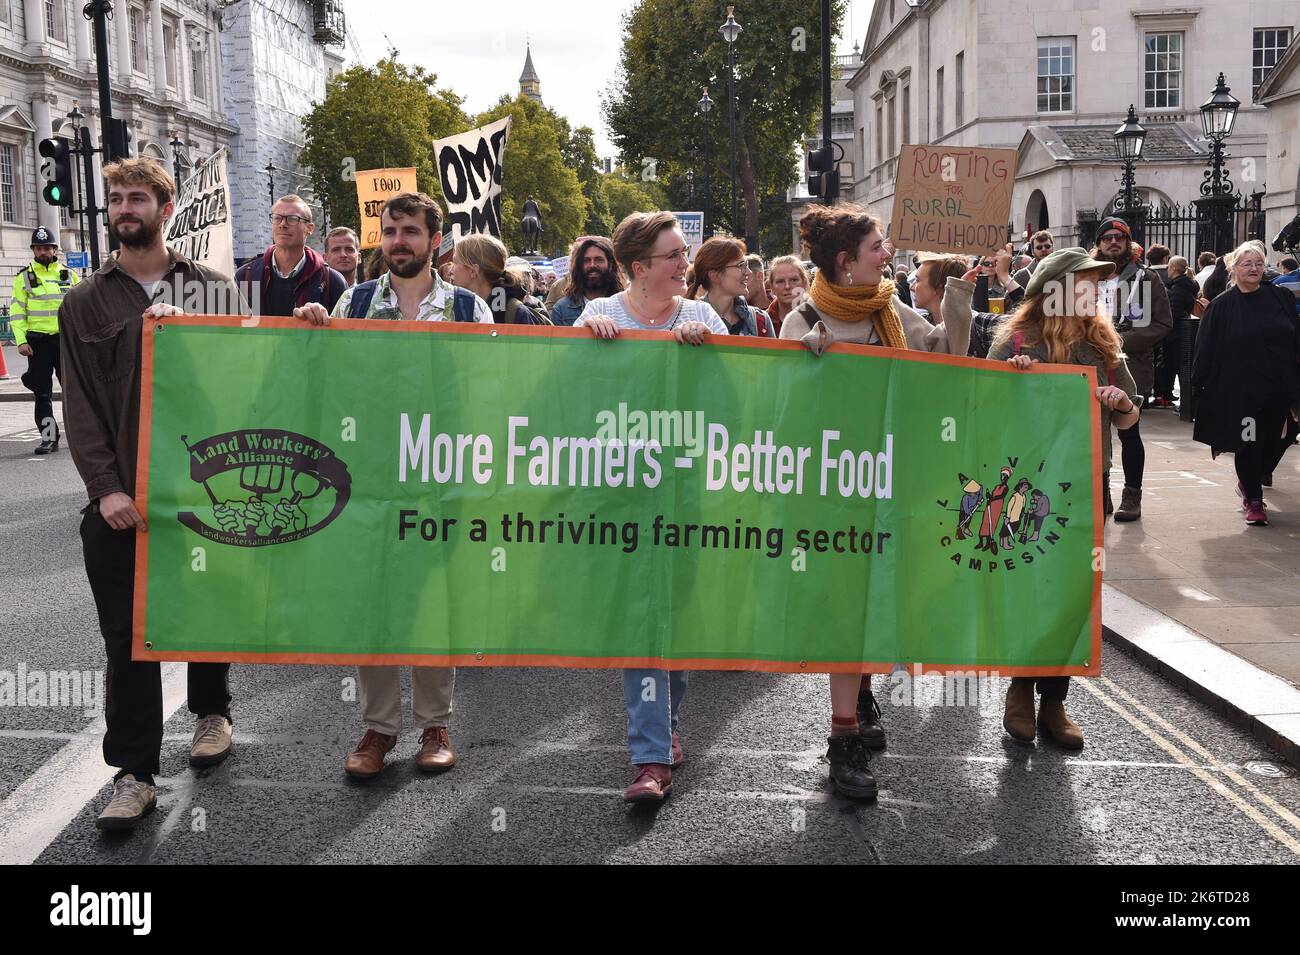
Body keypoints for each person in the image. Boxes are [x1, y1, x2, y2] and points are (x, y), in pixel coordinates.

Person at [60, 158, 246, 831]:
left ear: (166, 209)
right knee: (127, 638)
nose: (124, 207)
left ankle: (212, 711)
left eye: (137, 196)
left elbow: (246, 386)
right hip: (122, 501)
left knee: (204, 610)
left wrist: (194, 335)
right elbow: (79, 406)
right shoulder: (84, 301)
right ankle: (133, 773)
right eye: (115, 198)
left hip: (201, 491)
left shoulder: (216, 291)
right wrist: (104, 489)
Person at [295, 192, 490, 778]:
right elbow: (327, 377)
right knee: (371, 598)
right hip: (369, 471)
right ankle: (378, 728)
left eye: (410, 230)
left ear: (436, 240)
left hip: (439, 470)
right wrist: (311, 329)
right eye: (390, 230)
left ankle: (435, 724)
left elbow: (485, 387)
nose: (398, 240)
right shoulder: (352, 300)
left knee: (432, 596)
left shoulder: (465, 307)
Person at [780, 203, 971, 801]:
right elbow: (782, 413)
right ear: (845, 262)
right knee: (843, 607)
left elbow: (945, 352)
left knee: (878, 598)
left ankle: (859, 692)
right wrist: (808, 368)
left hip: (892, 479)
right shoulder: (800, 320)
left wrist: (962, 286)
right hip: (832, 488)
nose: (888, 254)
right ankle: (844, 743)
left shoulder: (890, 307)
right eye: (877, 247)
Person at [573, 211, 726, 804]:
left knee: (678, 621)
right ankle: (650, 759)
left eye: (684, 253)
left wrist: (709, 353)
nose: (687, 264)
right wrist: (589, 352)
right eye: (675, 256)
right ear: (640, 268)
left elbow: (739, 393)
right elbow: (573, 400)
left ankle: (666, 722)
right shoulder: (599, 315)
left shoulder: (702, 316)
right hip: (623, 495)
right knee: (643, 617)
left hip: (688, 492)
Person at [988, 247, 1140, 749]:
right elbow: (981, 400)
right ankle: (1019, 691)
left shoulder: (1101, 344)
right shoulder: (1017, 339)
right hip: (1030, 486)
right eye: (1084, 281)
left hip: (1088, 482)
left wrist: (1120, 403)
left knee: (1075, 593)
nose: (1092, 290)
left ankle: (1055, 704)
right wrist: (1014, 377)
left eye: (1095, 283)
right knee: (1032, 587)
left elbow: (1129, 416)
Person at [1192, 240, 1300, 527]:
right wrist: (1201, 388)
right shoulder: (1221, 306)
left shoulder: (1280, 297)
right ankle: (1253, 499)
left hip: (1280, 387)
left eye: (1258, 263)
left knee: (1279, 438)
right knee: (1249, 442)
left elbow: (1295, 335)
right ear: (1233, 268)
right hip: (1242, 391)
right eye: (1246, 264)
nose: (1253, 269)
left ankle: (1252, 476)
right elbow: (1205, 348)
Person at [1092, 216, 1172, 521]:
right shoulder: (1085, 277)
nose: (1113, 242)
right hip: (1090, 366)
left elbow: (1163, 324)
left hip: (1131, 367)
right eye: (1107, 237)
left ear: (1128, 243)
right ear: (1098, 243)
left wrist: (1120, 340)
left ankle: (1132, 496)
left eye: (1120, 237)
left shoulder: (1147, 278)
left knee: (1129, 433)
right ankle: (1101, 495)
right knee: (1094, 434)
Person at [10, 226, 78, 454]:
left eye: (46, 248)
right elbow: (17, 312)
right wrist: (21, 341)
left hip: (64, 342)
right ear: (33, 250)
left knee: (74, 391)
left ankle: (82, 437)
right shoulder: (24, 278)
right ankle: (49, 438)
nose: (43, 252)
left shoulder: (69, 275)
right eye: (38, 248)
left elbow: (80, 310)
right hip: (37, 344)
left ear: (54, 249)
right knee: (43, 394)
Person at [234, 194, 347, 316]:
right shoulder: (245, 276)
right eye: (277, 218)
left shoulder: (331, 281)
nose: (283, 224)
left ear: (309, 228)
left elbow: (345, 332)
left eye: (292, 219)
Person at [910, 253, 1006, 358]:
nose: (912, 287)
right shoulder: (921, 326)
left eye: (918, 280)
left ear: (938, 287)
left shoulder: (979, 324)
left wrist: (1018, 359)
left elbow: (1021, 326)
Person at [685, 237, 774, 336]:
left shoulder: (761, 321)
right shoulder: (689, 321)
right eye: (741, 265)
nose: (748, 272)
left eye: (746, 265)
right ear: (715, 276)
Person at [453, 236, 549, 324]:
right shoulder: (458, 307)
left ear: (473, 270)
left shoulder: (517, 314)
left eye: (455, 262)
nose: (451, 270)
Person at [1153, 256, 1201, 408]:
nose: (1167, 270)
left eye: (1168, 267)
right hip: (1182, 332)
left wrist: (1165, 328)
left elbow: (1174, 311)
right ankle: (1176, 397)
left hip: (1175, 334)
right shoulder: (1185, 285)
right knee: (1180, 366)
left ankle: (1168, 396)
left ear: (1173, 269)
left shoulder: (1178, 288)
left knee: (1172, 366)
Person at [549, 236, 625, 326]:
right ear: (579, 266)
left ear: (610, 264)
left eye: (599, 260)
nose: (592, 265)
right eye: (586, 260)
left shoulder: (625, 306)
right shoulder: (562, 309)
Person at [767, 255, 810, 332]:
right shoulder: (762, 321)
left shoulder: (821, 315)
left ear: (804, 282)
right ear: (772, 286)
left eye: (794, 280)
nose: (787, 286)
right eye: (780, 281)